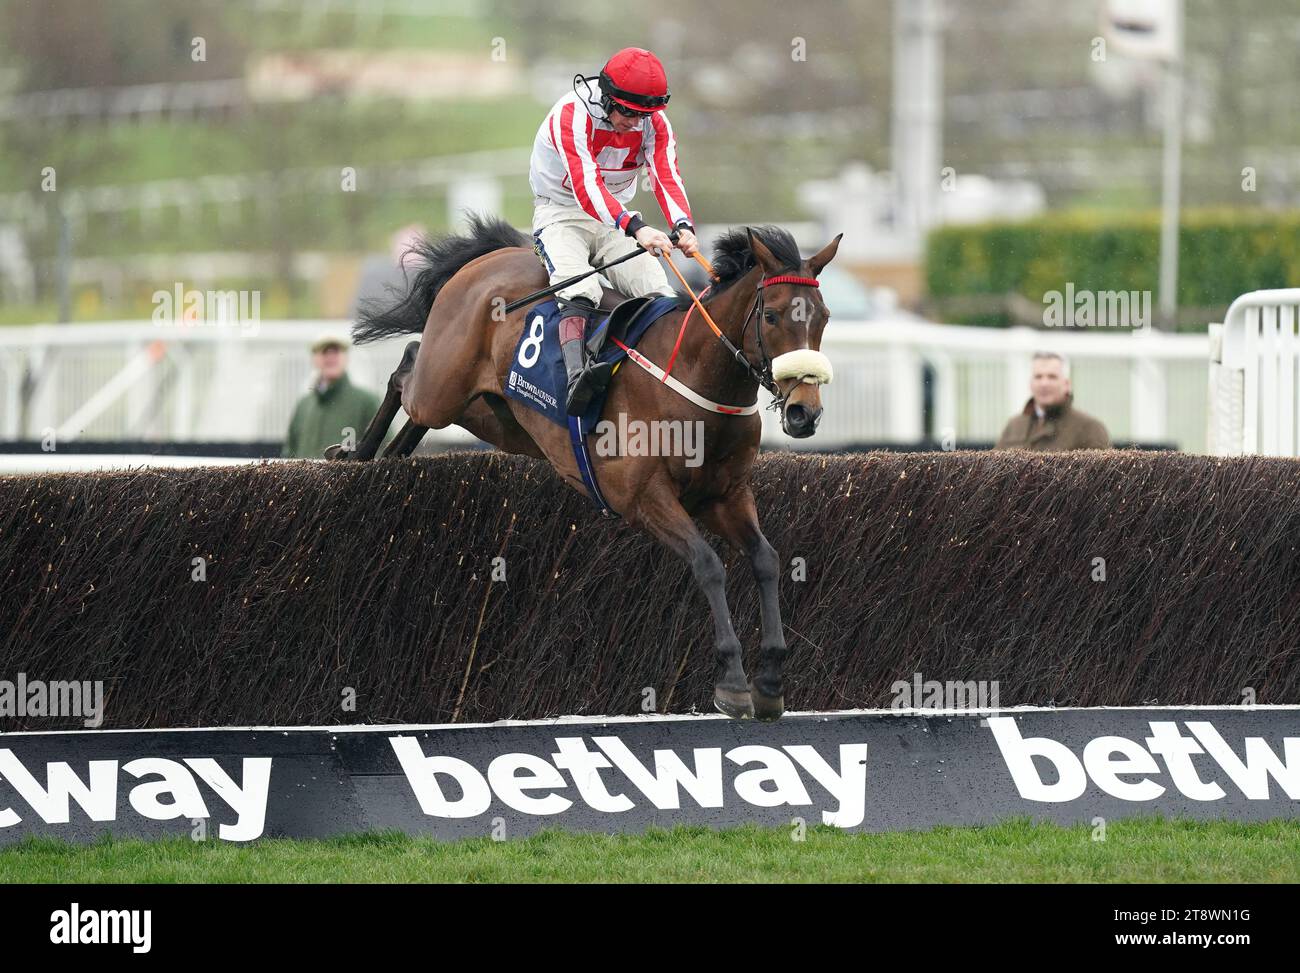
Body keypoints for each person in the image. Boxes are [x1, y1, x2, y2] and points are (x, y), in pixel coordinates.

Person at [529, 46, 700, 415]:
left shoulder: (655, 124)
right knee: (581, 288)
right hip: (561, 213)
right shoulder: (571, 114)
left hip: (616, 217)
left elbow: (665, 174)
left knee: (658, 292)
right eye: (627, 112)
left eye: (644, 115)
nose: (635, 123)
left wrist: (682, 224)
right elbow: (586, 186)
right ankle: (577, 380)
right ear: (606, 97)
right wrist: (636, 227)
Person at [282, 333, 384, 459]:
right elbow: (289, 452)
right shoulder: (303, 404)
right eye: (325, 352)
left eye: (336, 351)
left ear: (346, 358)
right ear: (315, 359)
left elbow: (383, 448)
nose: (330, 357)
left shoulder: (367, 402)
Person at [995, 351, 1111, 451]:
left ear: (1066, 384)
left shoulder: (1089, 428)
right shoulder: (1014, 426)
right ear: (1030, 384)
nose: (1044, 383)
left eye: (1052, 377)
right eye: (1038, 377)